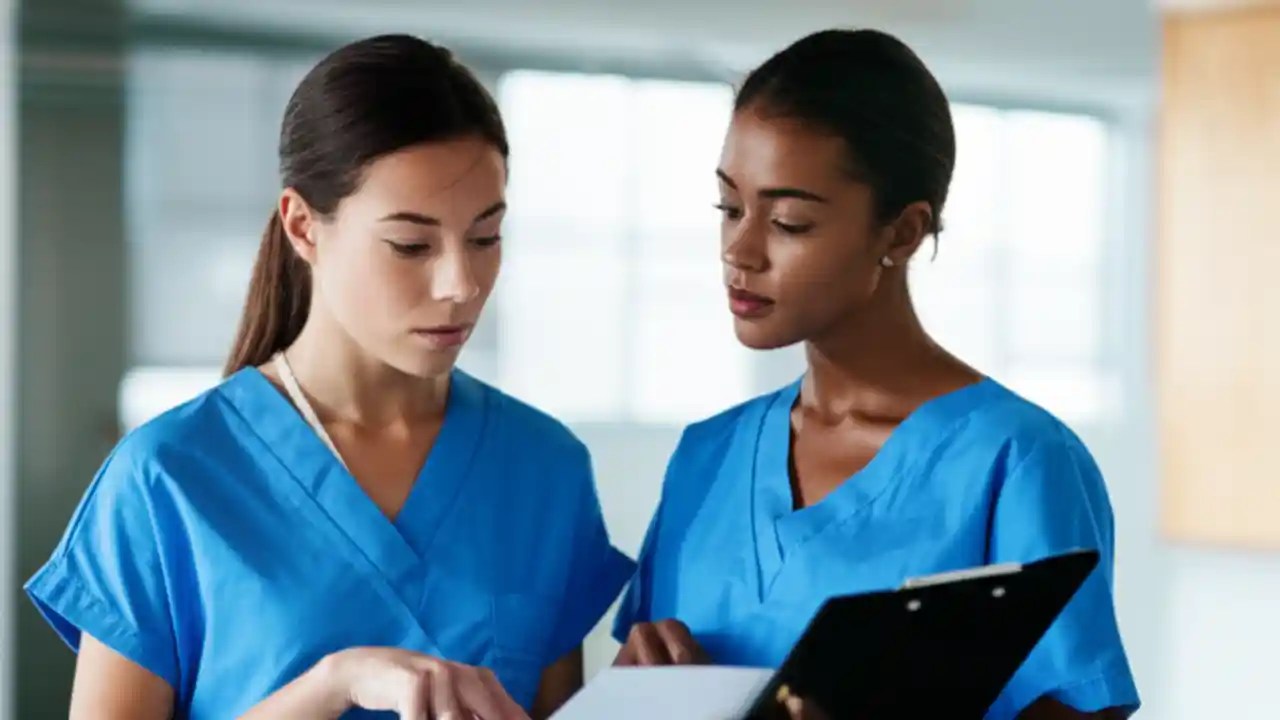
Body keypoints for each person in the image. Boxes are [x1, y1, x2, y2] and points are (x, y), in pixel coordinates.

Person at [25, 34, 633, 720]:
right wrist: (331, 685)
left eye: (486, 237)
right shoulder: (167, 477)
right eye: (411, 245)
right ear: (304, 226)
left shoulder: (545, 470)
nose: (461, 284)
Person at [611, 29, 1140, 720]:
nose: (739, 251)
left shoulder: (1016, 462)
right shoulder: (705, 458)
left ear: (902, 232)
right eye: (729, 208)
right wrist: (634, 687)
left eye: (790, 222)